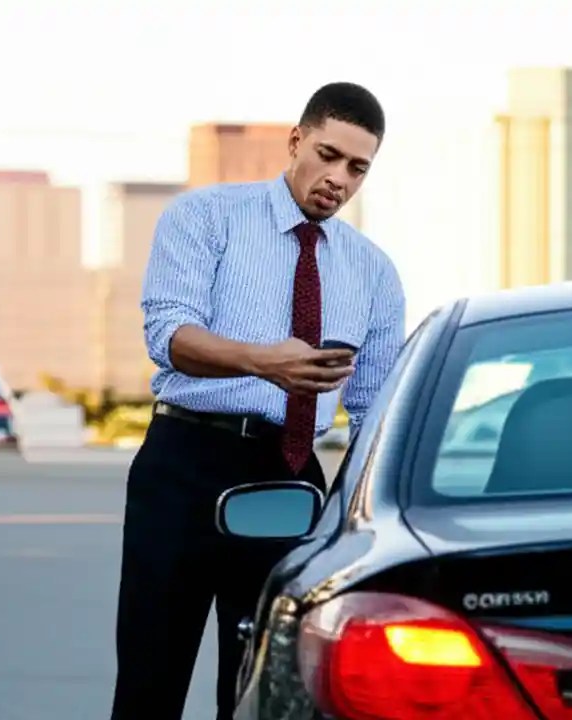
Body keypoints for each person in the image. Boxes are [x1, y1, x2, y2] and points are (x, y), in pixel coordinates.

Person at [110, 82, 406, 720]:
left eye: (358, 168)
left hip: (289, 476)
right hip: (184, 463)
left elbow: (375, 413)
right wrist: (264, 361)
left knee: (261, 692)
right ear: (296, 140)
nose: (339, 179)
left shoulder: (373, 271)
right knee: (148, 680)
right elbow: (168, 335)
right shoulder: (206, 217)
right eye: (328, 155)